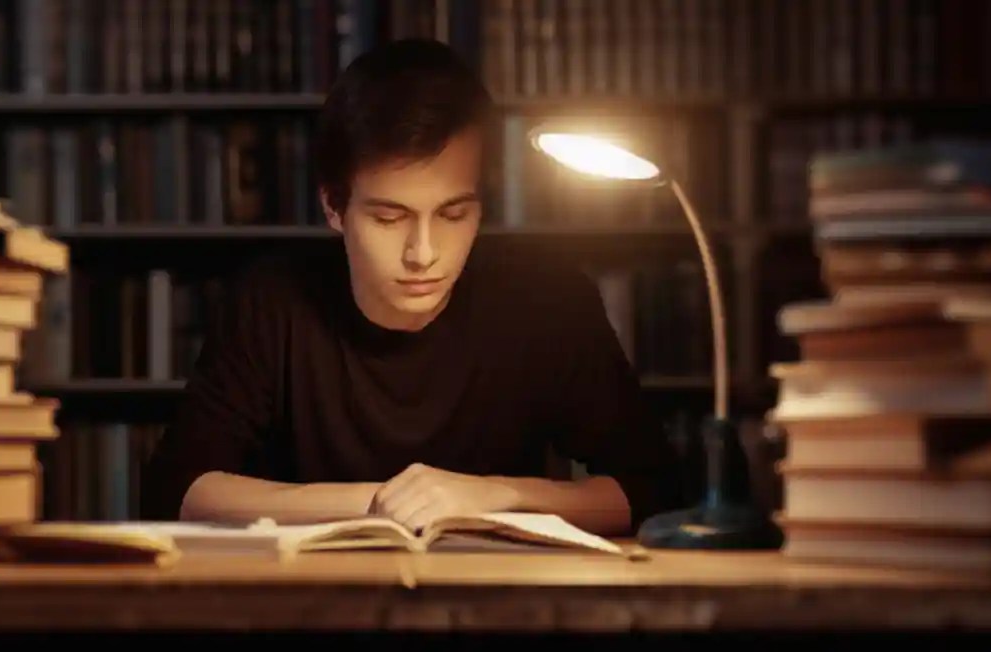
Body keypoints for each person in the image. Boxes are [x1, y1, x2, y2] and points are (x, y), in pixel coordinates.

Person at [142, 39, 681, 536]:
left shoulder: (546, 299)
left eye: (453, 214)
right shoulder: (273, 299)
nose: (422, 253)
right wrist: (385, 502)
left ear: (482, 205)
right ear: (334, 206)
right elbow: (178, 490)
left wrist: (494, 495)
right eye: (388, 217)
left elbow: (655, 489)